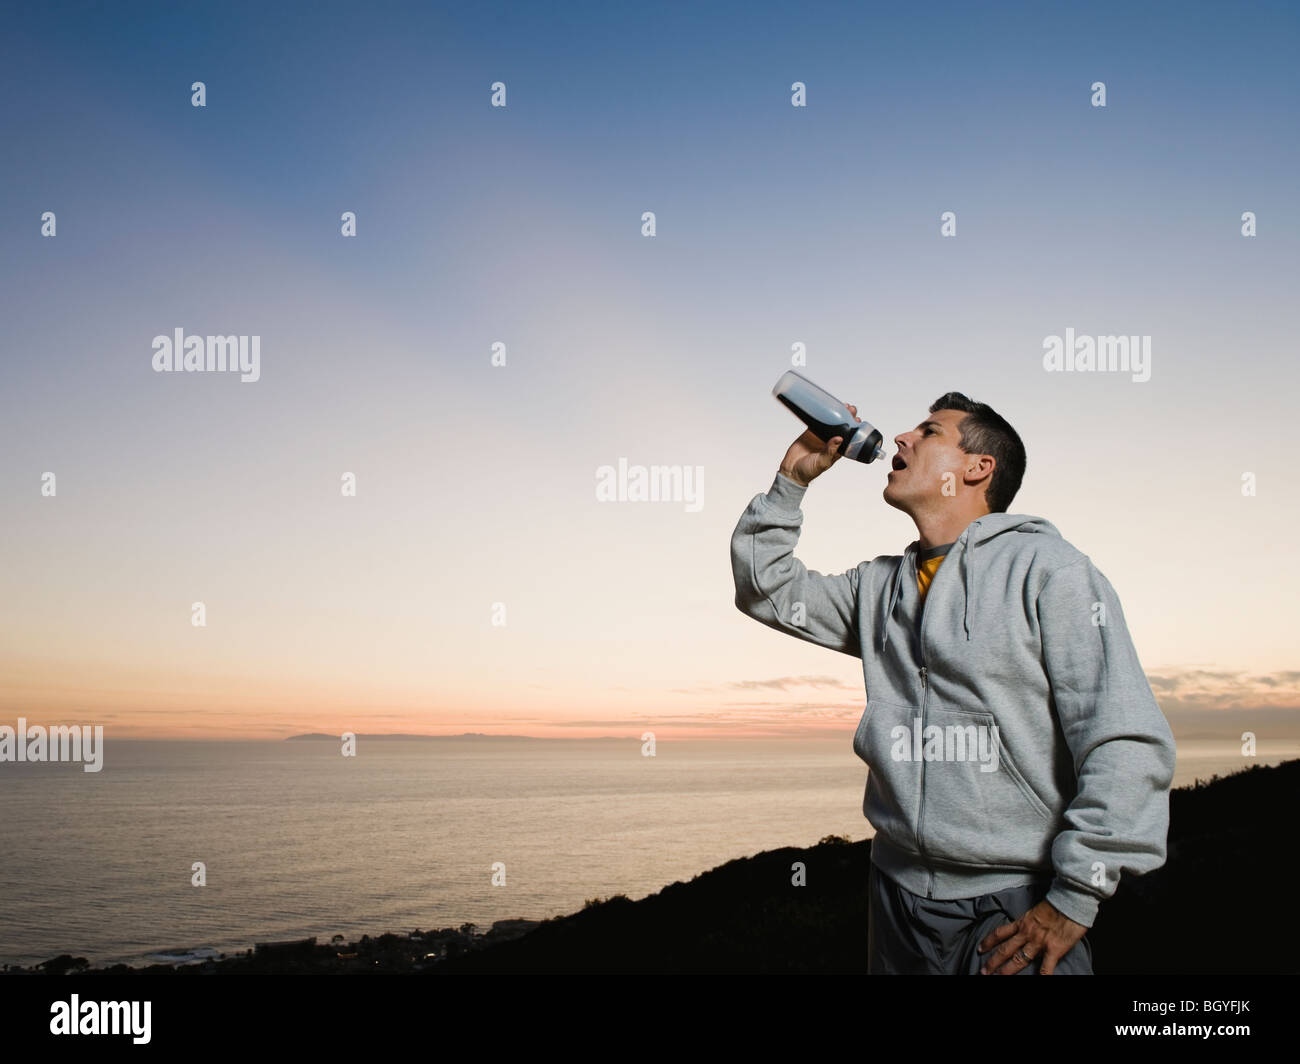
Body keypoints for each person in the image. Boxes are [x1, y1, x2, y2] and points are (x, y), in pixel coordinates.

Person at [729, 392, 1176, 974]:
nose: (901, 439)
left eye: (929, 432)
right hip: (894, 895)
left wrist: (1075, 899)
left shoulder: (1052, 572)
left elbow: (1123, 738)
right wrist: (793, 477)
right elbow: (765, 589)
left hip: (1015, 903)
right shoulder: (878, 586)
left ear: (976, 467)